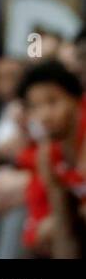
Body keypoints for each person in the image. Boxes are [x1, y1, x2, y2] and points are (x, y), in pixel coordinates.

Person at [15, 61, 84, 258]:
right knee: (48, 231)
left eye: (52, 102)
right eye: (35, 107)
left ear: (76, 98)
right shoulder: (47, 155)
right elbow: (63, 232)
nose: (44, 115)